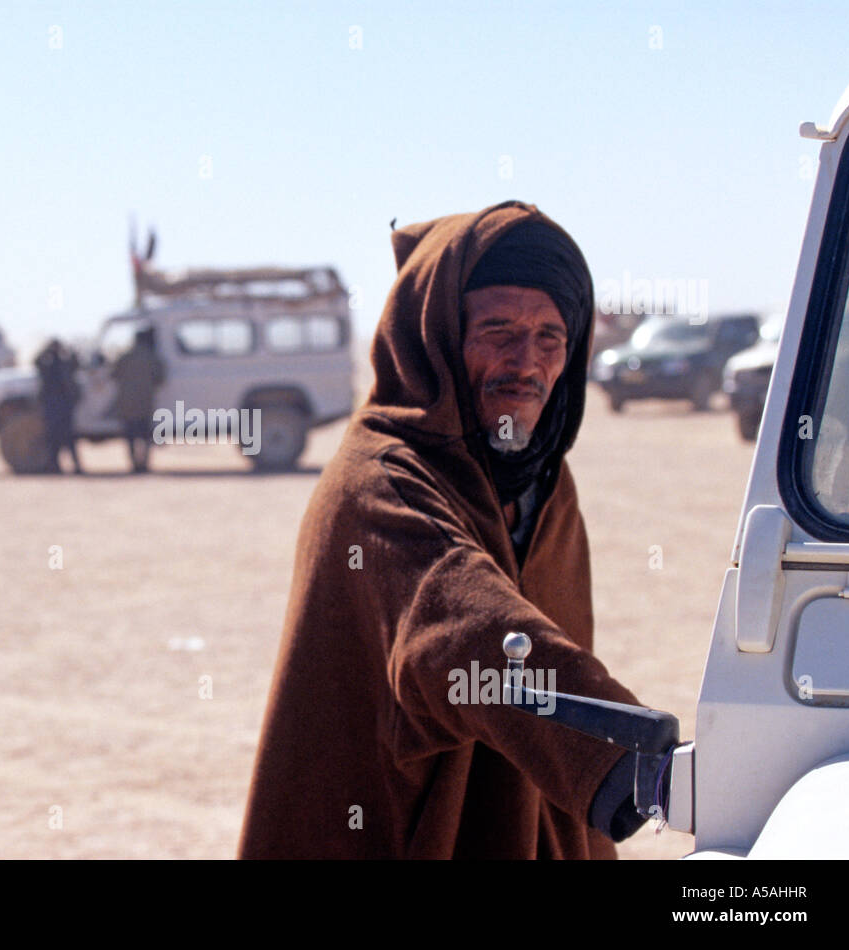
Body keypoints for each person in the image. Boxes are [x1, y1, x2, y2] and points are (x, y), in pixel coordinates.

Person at [238, 201, 657, 859]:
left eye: (551, 336)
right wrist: (629, 756)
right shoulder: (376, 480)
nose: (528, 361)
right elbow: (466, 627)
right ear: (432, 338)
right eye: (498, 329)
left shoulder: (544, 484)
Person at [108, 327, 165, 473]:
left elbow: (113, 374)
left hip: (127, 403)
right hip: (145, 401)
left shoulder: (125, 357)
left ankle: (134, 464)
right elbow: (160, 377)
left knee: (130, 436)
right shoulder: (151, 357)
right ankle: (144, 463)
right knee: (145, 435)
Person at [34, 339, 83, 474]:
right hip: (58, 405)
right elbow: (36, 362)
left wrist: (49, 350)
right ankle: (56, 466)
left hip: (59, 405)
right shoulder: (54, 365)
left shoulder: (59, 365)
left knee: (61, 438)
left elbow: (76, 363)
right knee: (59, 438)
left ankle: (66, 466)